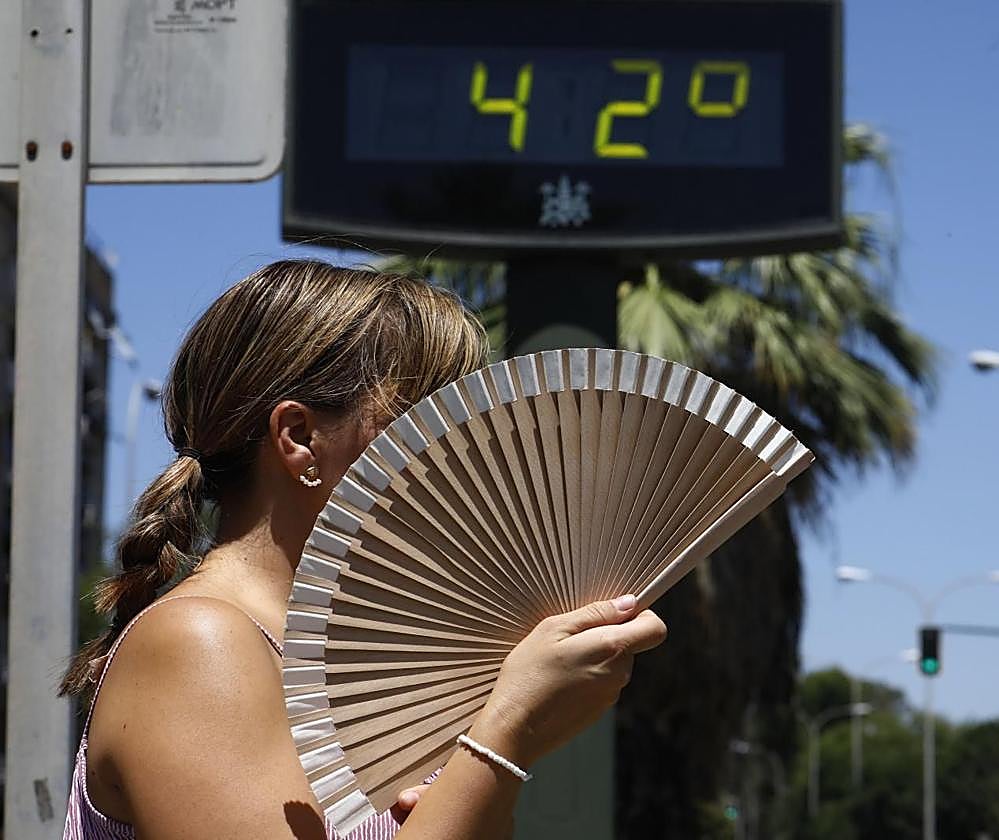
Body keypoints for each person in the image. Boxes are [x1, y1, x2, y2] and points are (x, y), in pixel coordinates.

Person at [60, 260, 668, 839]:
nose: (466, 454)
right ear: (300, 438)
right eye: (425, 422)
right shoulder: (201, 643)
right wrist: (508, 730)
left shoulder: (350, 665)